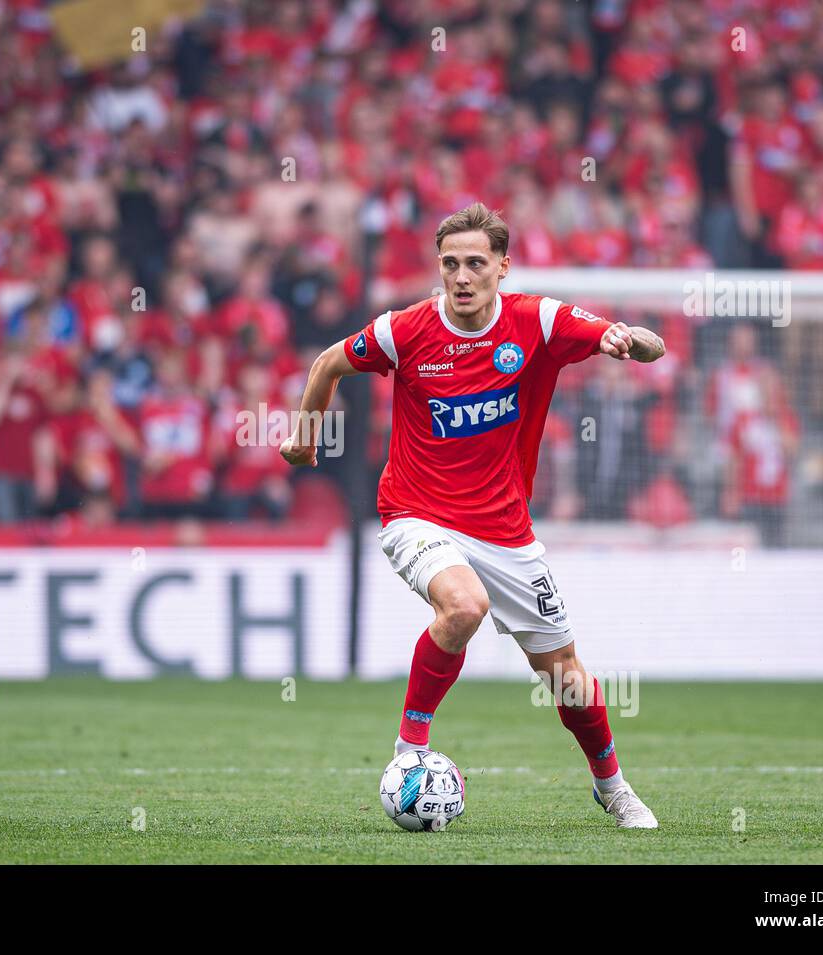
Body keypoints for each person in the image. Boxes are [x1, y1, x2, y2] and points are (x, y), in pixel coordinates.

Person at [280, 203, 666, 829]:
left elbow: (643, 343)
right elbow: (328, 364)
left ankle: (613, 788)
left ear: (503, 267)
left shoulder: (537, 321)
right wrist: (305, 435)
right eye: (450, 264)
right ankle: (410, 754)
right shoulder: (405, 331)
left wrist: (629, 339)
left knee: (566, 678)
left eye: (475, 264)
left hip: (505, 530)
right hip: (415, 512)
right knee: (463, 607)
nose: (461, 277)